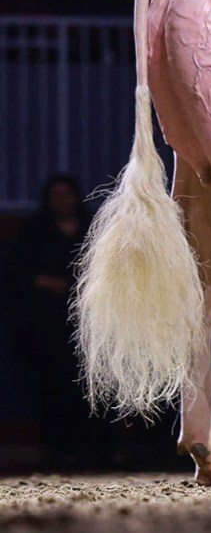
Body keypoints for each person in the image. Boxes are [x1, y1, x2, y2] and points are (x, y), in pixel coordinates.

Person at [2, 175, 110, 468]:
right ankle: (60, 451)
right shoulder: (34, 232)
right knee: (54, 389)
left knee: (95, 389)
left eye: (67, 195)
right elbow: (17, 276)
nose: (62, 202)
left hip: (89, 326)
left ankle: (101, 453)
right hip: (49, 327)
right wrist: (45, 282)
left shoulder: (93, 228)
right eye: (56, 196)